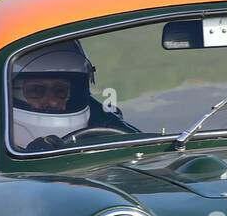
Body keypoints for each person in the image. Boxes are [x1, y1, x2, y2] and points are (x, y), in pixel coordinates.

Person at [10, 40, 138, 150]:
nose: (53, 102)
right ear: (12, 94)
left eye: (60, 91)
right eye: (36, 91)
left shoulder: (106, 125)